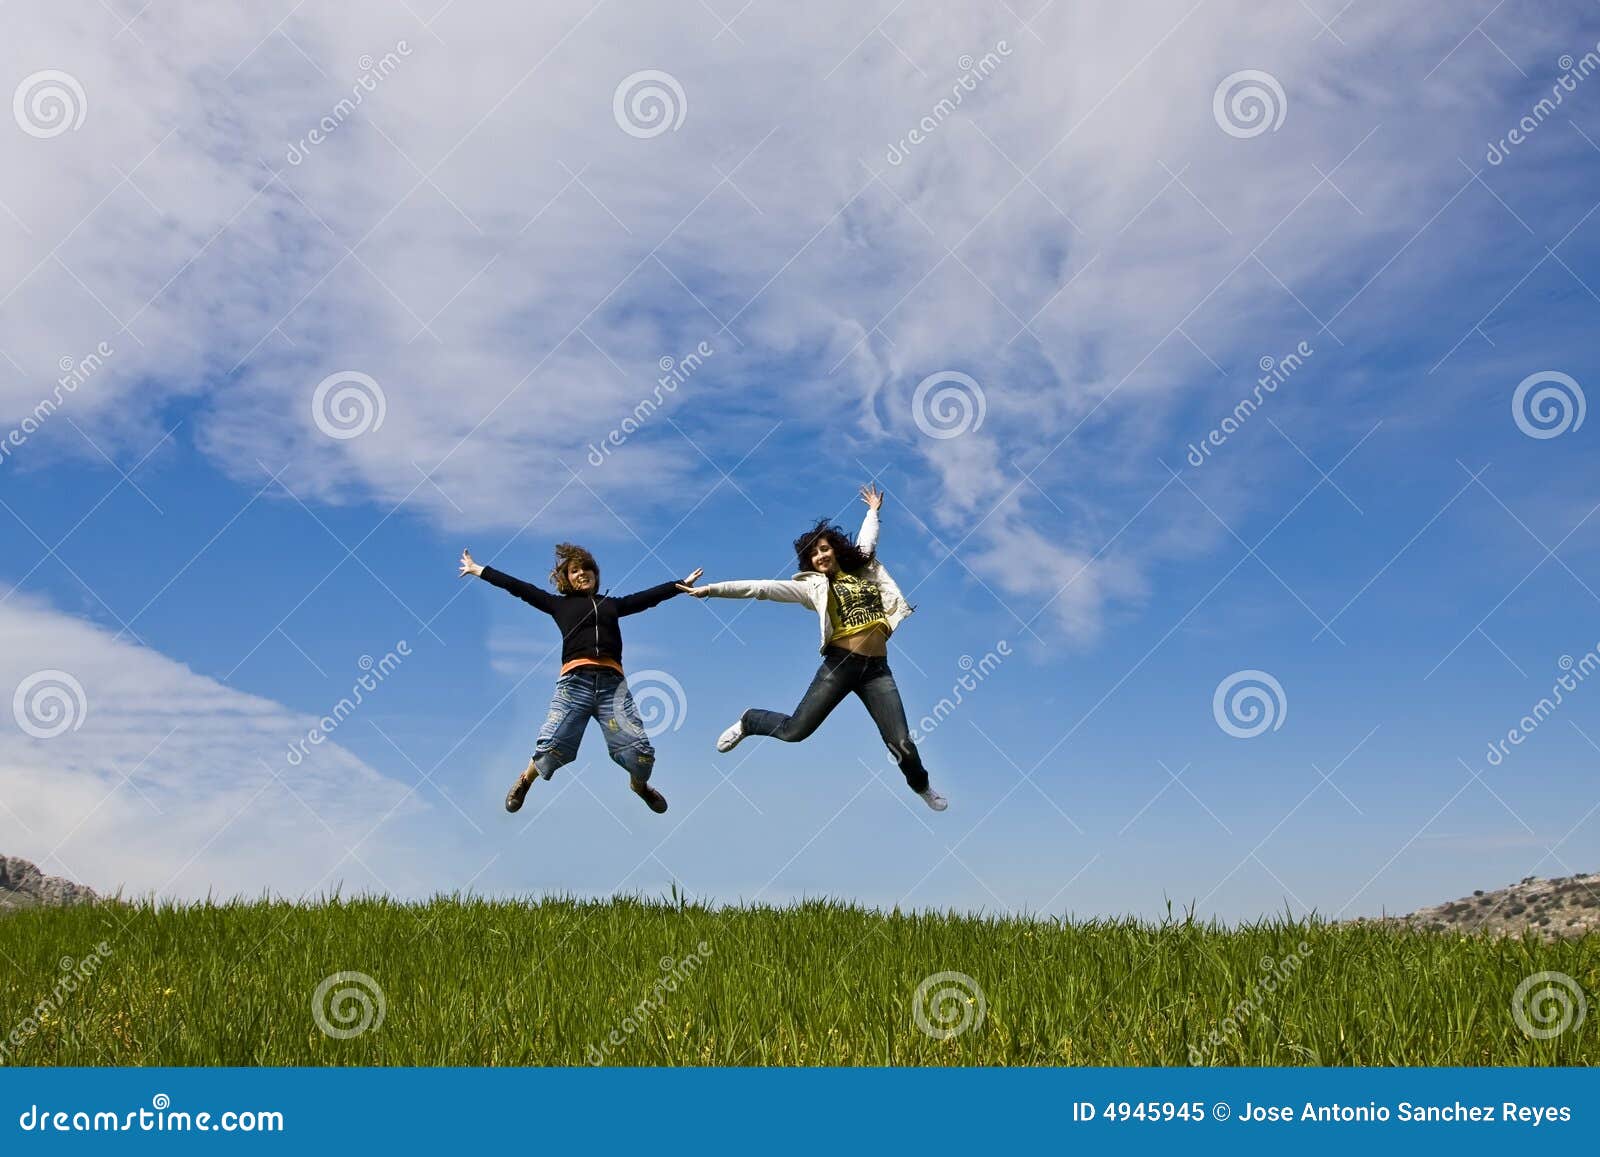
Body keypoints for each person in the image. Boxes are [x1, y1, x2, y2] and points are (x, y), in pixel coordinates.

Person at [679, 484, 948, 811]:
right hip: (840, 665)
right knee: (796, 731)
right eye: (813, 554)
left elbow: (868, 538)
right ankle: (751, 721)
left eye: (823, 549)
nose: (820, 556)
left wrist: (873, 510)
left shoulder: (862, 568)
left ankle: (921, 786)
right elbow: (762, 588)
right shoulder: (813, 588)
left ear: (834, 548)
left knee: (901, 742)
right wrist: (711, 590)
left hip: (877, 670)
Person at [459, 543, 702, 815]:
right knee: (552, 746)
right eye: (575, 571)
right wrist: (479, 570)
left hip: (613, 688)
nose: (582, 573)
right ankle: (525, 781)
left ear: (596, 575)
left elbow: (645, 598)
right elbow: (518, 588)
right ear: (567, 579)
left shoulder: (611, 605)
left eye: (587, 569)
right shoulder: (558, 605)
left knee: (640, 754)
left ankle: (640, 787)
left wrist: (679, 584)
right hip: (575, 685)